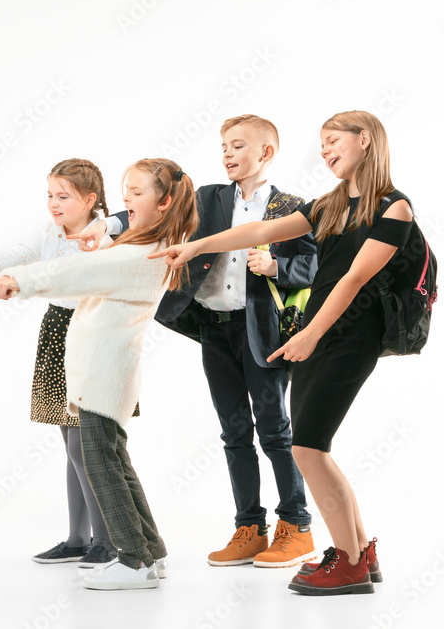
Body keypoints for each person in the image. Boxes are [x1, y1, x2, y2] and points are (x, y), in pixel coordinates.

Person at [151, 110, 412, 595]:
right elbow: (258, 232)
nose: (325, 150)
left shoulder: (393, 208)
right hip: (315, 335)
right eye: (321, 143)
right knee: (309, 447)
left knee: (304, 446)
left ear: (365, 140)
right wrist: (196, 248)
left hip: (349, 336)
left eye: (333, 140)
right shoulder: (331, 203)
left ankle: (345, 560)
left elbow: (354, 279)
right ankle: (357, 551)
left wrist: (309, 332)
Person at [0, 158, 198, 590]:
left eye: (137, 192)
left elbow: (78, 272)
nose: (126, 199)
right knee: (116, 462)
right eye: (126, 190)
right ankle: (152, 552)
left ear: (164, 201)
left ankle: (134, 561)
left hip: (103, 373)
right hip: (108, 370)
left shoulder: (139, 253)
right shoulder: (147, 243)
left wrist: (19, 280)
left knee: (101, 464)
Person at [0, 158, 128, 568]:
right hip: (58, 331)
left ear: (90, 200)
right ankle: (78, 539)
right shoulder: (48, 234)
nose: (54, 204)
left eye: (64, 196)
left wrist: (23, 284)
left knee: (88, 444)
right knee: (69, 441)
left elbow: (82, 277)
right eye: (50, 195)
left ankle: (107, 540)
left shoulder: (109, 237)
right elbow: (9, 254)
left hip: (95, 334)